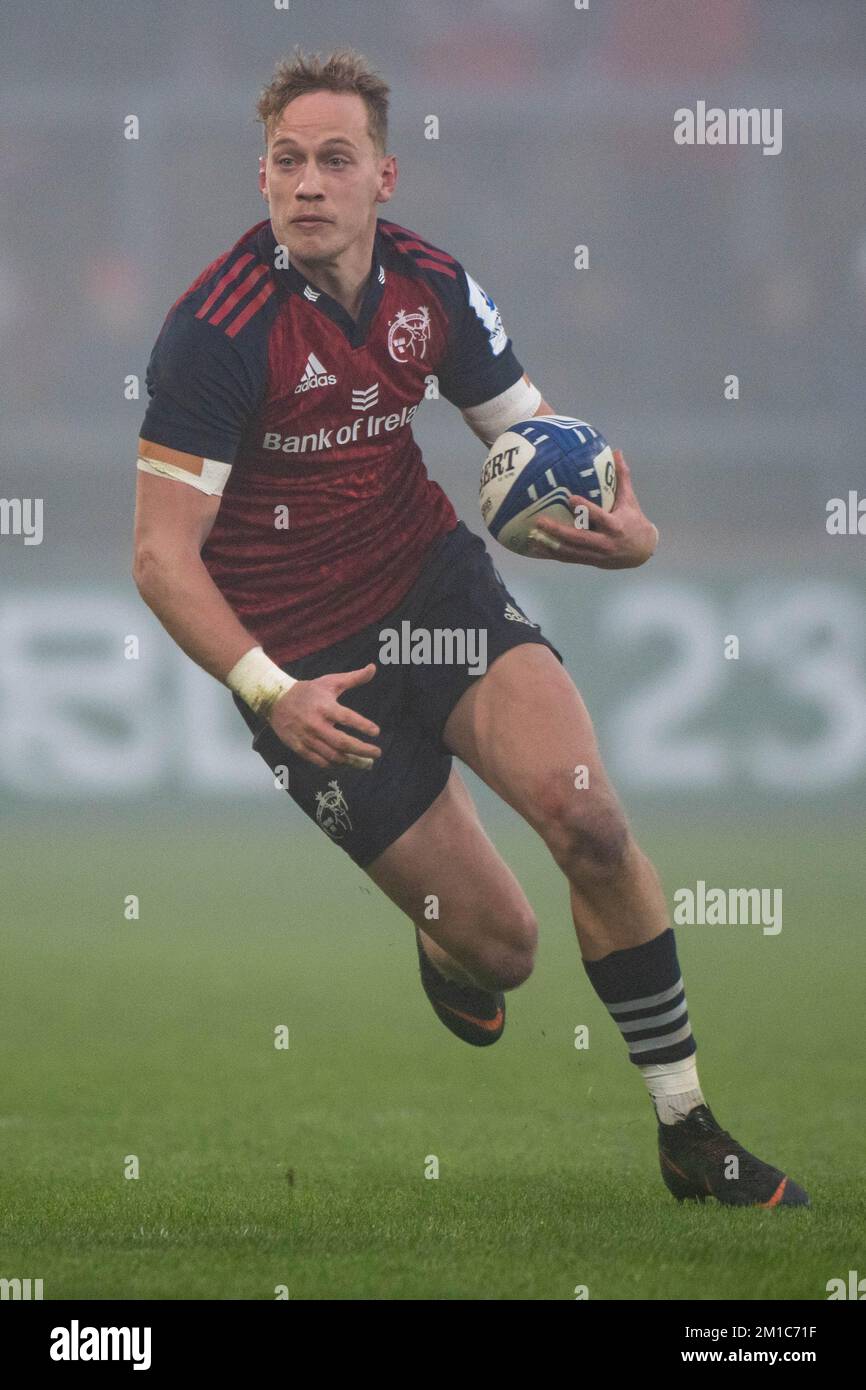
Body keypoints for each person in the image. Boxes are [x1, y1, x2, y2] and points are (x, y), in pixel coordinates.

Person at [132, 46, 807, 1208]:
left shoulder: (431, 288)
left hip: (432, 587)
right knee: (506, 950)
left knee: (589, 820)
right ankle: (447, 942)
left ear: (382, 178)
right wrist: (265, 690)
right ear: (262, 177)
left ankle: (688, 1127)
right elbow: (159, 556)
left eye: (333, 159)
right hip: (310, 670)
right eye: (287, 161)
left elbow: (545, 440)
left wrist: (631, 532)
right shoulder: (215, 329)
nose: (307, 183)